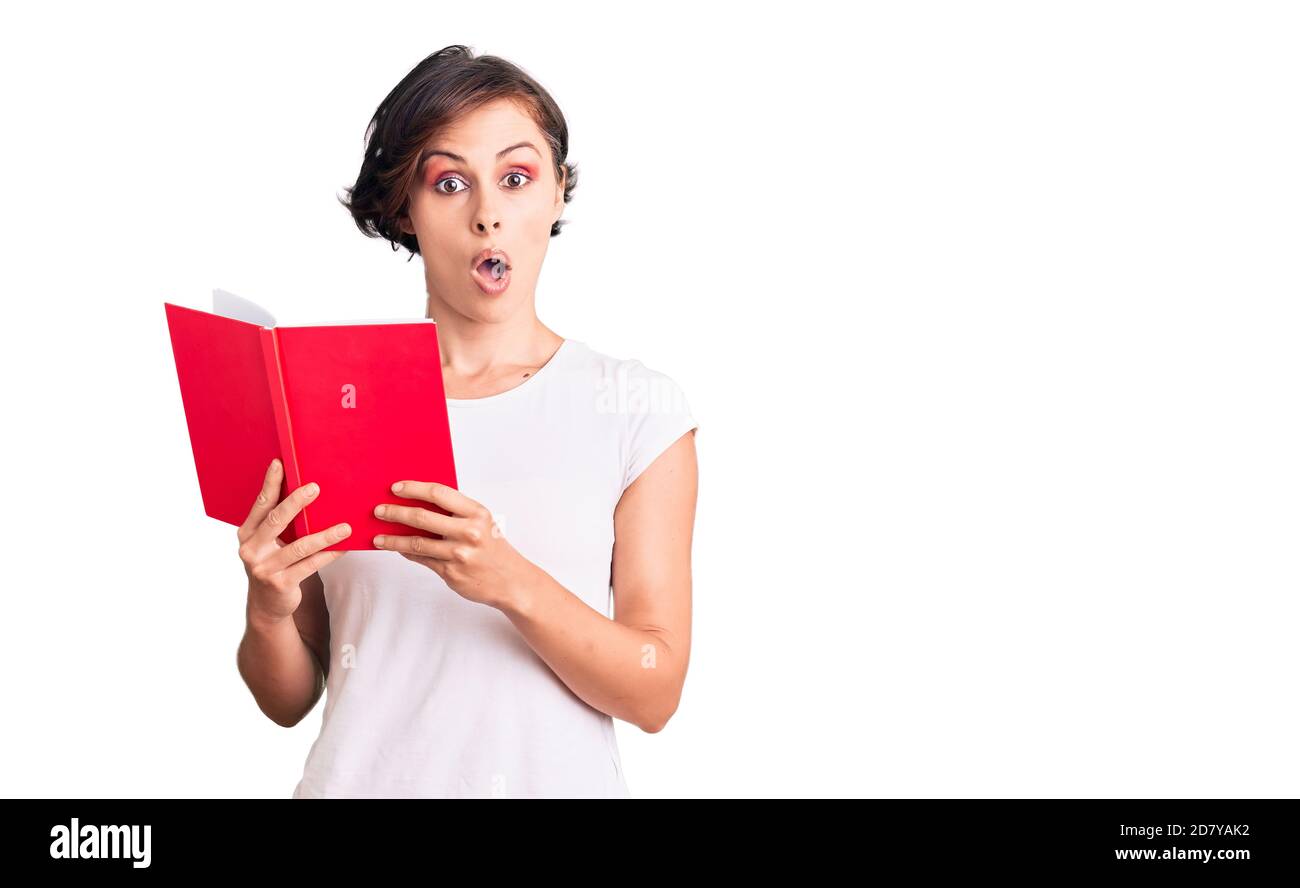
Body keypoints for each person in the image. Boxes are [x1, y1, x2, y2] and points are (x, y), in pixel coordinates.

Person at [234, 45, 699, 798]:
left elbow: (655, 691)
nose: (487, 212)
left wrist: (505, 578)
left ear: (556, 195)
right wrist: (266, 605)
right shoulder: (331, 400)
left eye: (516, 179)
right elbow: (289, 697)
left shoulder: (637, 410)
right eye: (449, 183)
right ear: (403, 210)